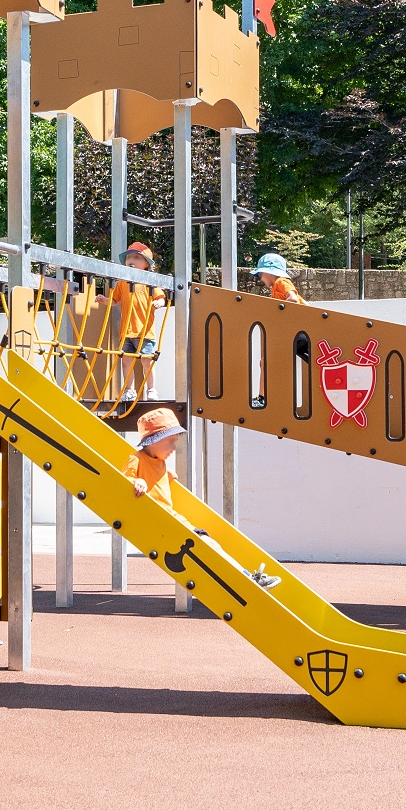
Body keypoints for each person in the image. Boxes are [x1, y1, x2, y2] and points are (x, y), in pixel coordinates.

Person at [125, 407, 280, 590]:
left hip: (174, 520)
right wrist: (138, 481)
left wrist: (166, 474)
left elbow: (157, 477)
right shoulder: (136, 459)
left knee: (211, 544)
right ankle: (247, 579)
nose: (174, 448)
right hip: (164, 523)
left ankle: (245, 577)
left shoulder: (160, 462)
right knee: (207, 545)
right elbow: (122, 482)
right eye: (170, 441)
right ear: (155, 440)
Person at [112, 241, 166, 401]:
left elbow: (161, 297)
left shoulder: (149, 282)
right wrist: (105, 300)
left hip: (144, 331)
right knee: (126, 360)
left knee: (147, 360)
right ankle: (129, 390)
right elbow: (115, 300)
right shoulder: (122, 282)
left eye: (136, 257)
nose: (131, 260)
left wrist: (159, 303)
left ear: (146, 265)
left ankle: (151, 389)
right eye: (129, 257)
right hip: (127, 330)